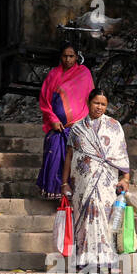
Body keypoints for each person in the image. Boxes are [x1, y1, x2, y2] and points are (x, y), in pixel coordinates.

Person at [61, 90, 130, 274]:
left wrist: (125, 178)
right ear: (89, 102)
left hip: (107, 183)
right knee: (83, 220)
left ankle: (107, 260)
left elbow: (121, 153)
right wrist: (64, 182)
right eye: (96, 103)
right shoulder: (77, 128)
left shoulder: (114, 126)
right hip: (82, 183)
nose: (99, 107)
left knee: (106, 218)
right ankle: (83, 260)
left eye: (103, 104)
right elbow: (69, 156)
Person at [37, 44, 95, 198]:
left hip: (78, 127)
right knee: (55, 156)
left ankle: (75, 195)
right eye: (65, 56)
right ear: (60, 57)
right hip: (58, 127)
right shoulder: (53, 74)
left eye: (71, 56)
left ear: (77, 57)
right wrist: (53, 119)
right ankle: (55, 194)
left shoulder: (84, 74)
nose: (68, 59)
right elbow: (44, 100)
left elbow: (90, 99)